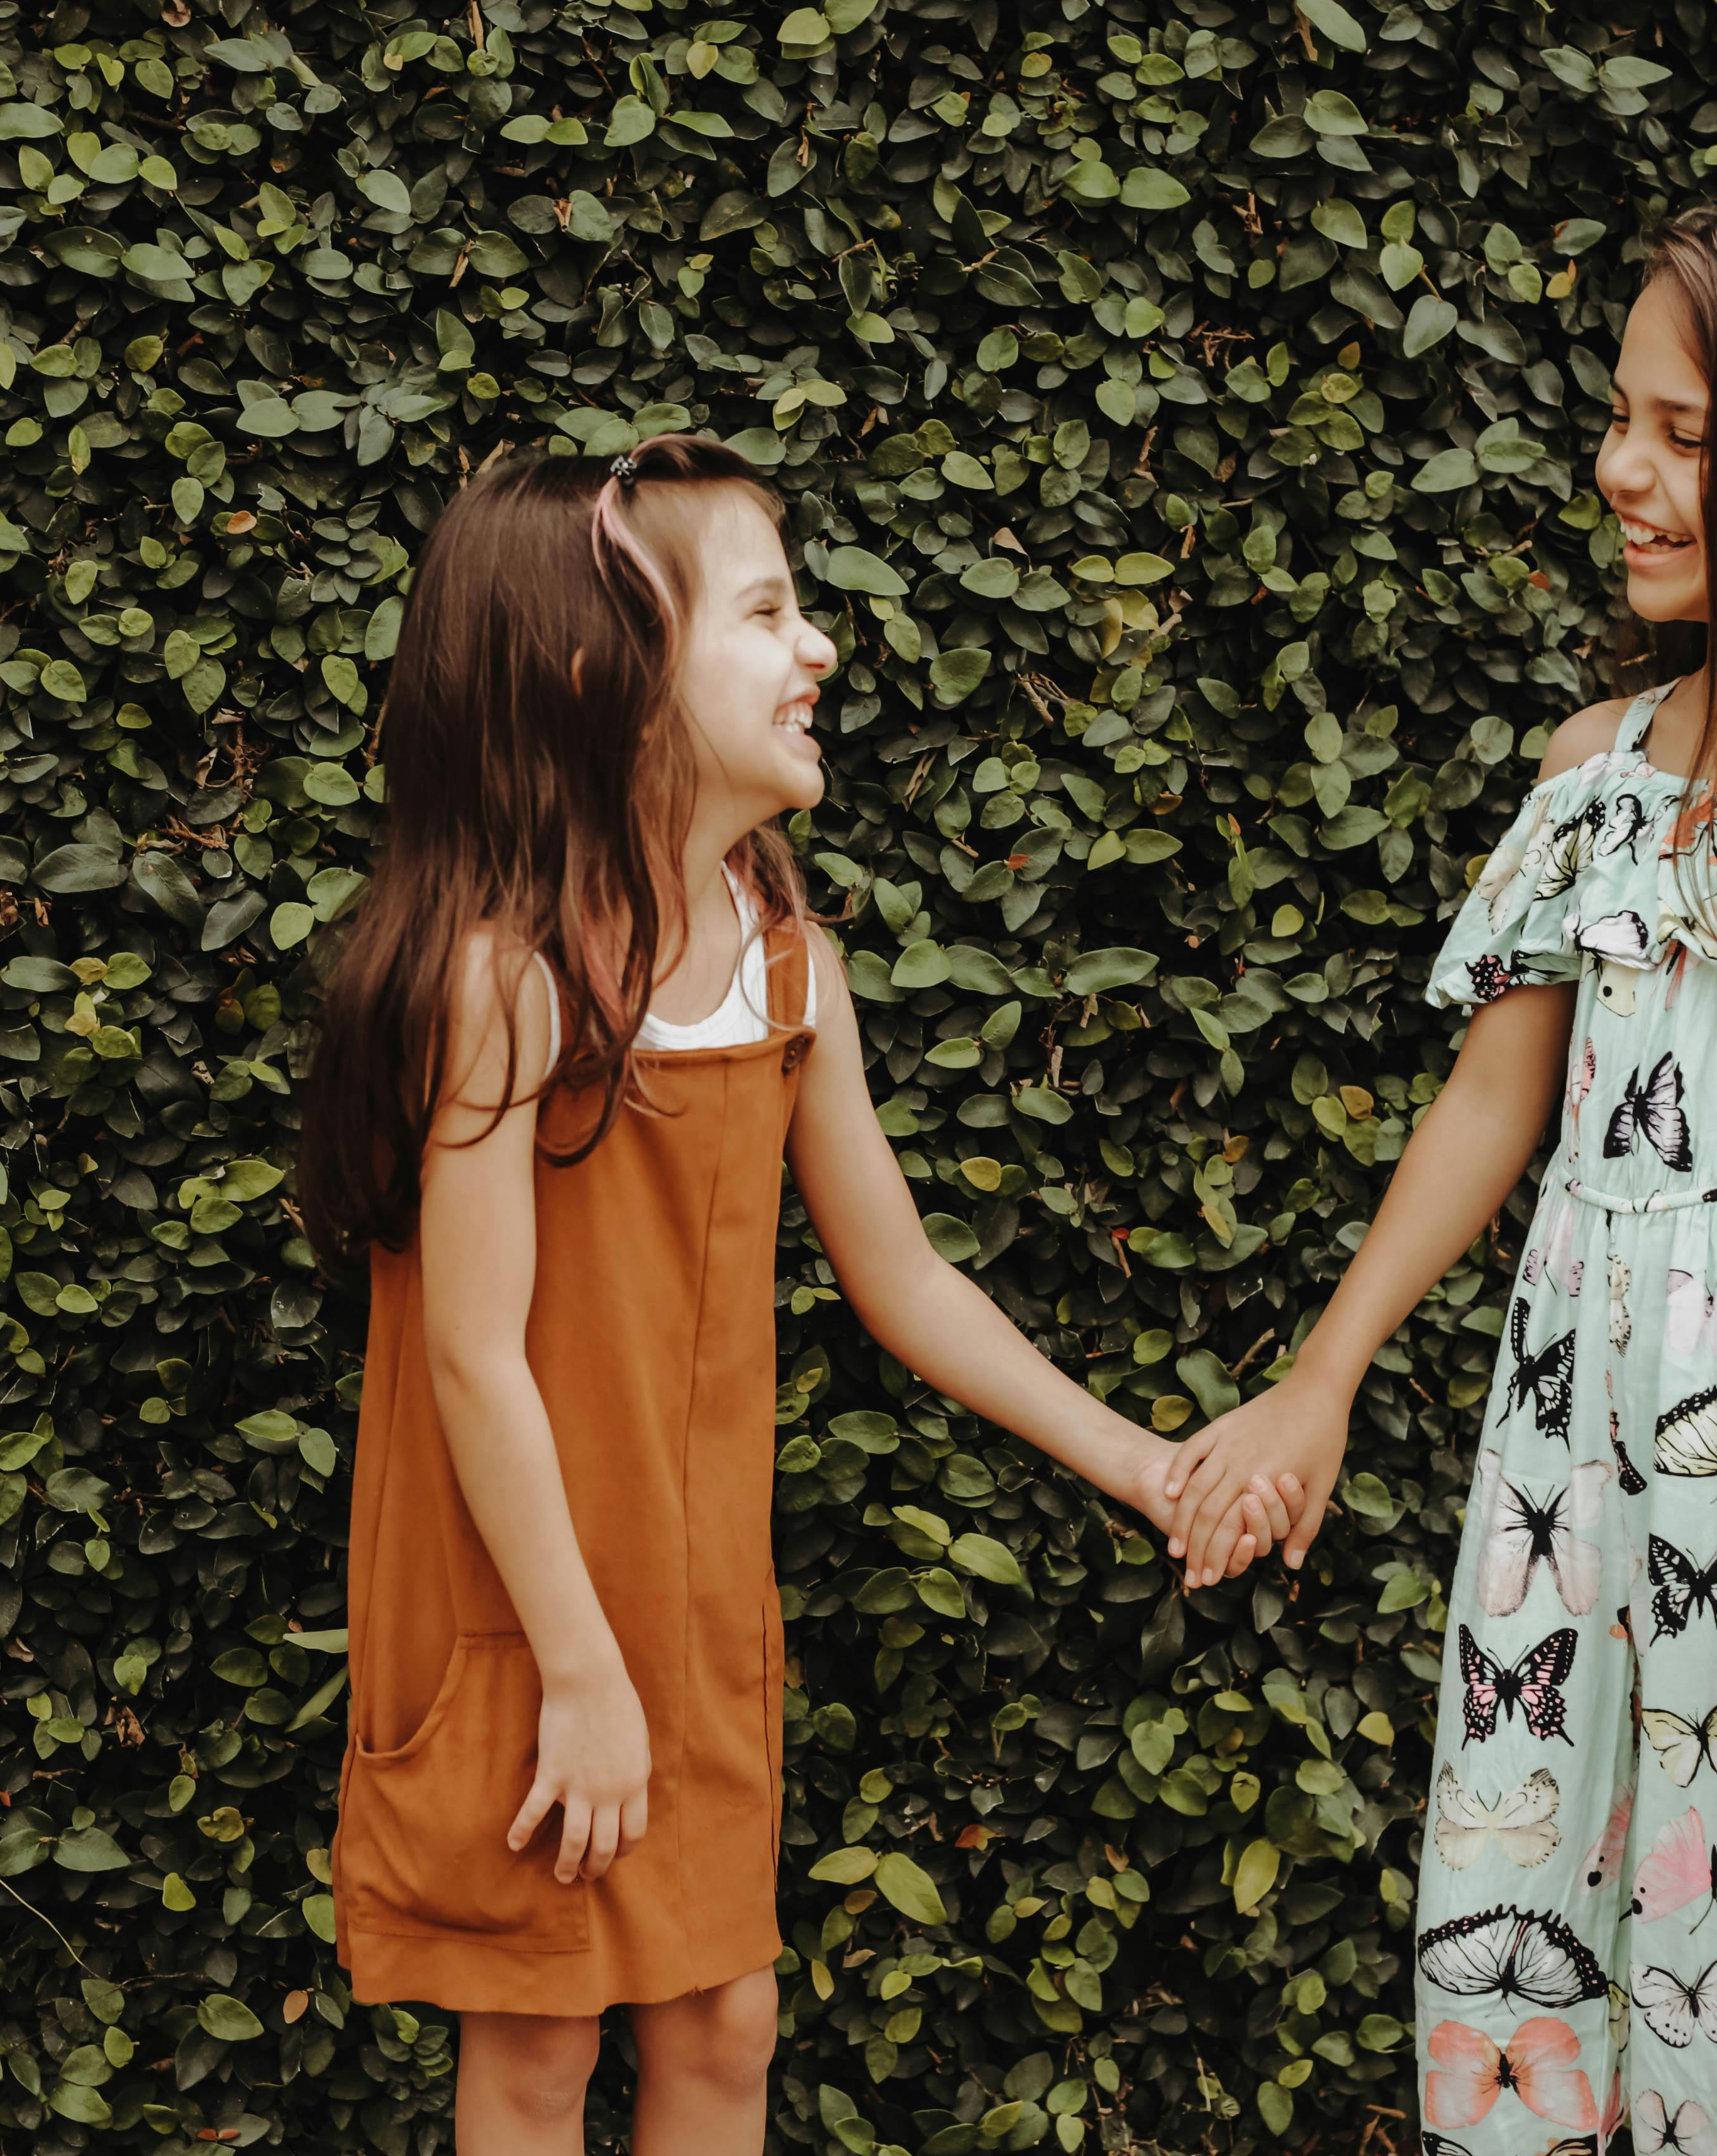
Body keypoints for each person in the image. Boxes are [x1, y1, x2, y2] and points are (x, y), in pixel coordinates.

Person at [1159, 207, 1717, 2156]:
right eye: (1621, 421)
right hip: (1560, 1430)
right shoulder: (1603, 764)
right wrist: (1318, 1382)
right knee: (1510, 1933)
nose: (1618, 472)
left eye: (1680, 436)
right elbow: (1500, 1106)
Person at [297, 434, 1272, 2154]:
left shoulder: (783, 960)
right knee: (532, 2048)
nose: (820, 648)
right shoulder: (505, 983)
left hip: (687, 1614)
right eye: (768, 612)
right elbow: (472, 1364)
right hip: (531, 1613)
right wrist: (582, 1675)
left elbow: (903, 1275)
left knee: (726, 2026)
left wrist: (1142, 1461)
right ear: (613, 674)